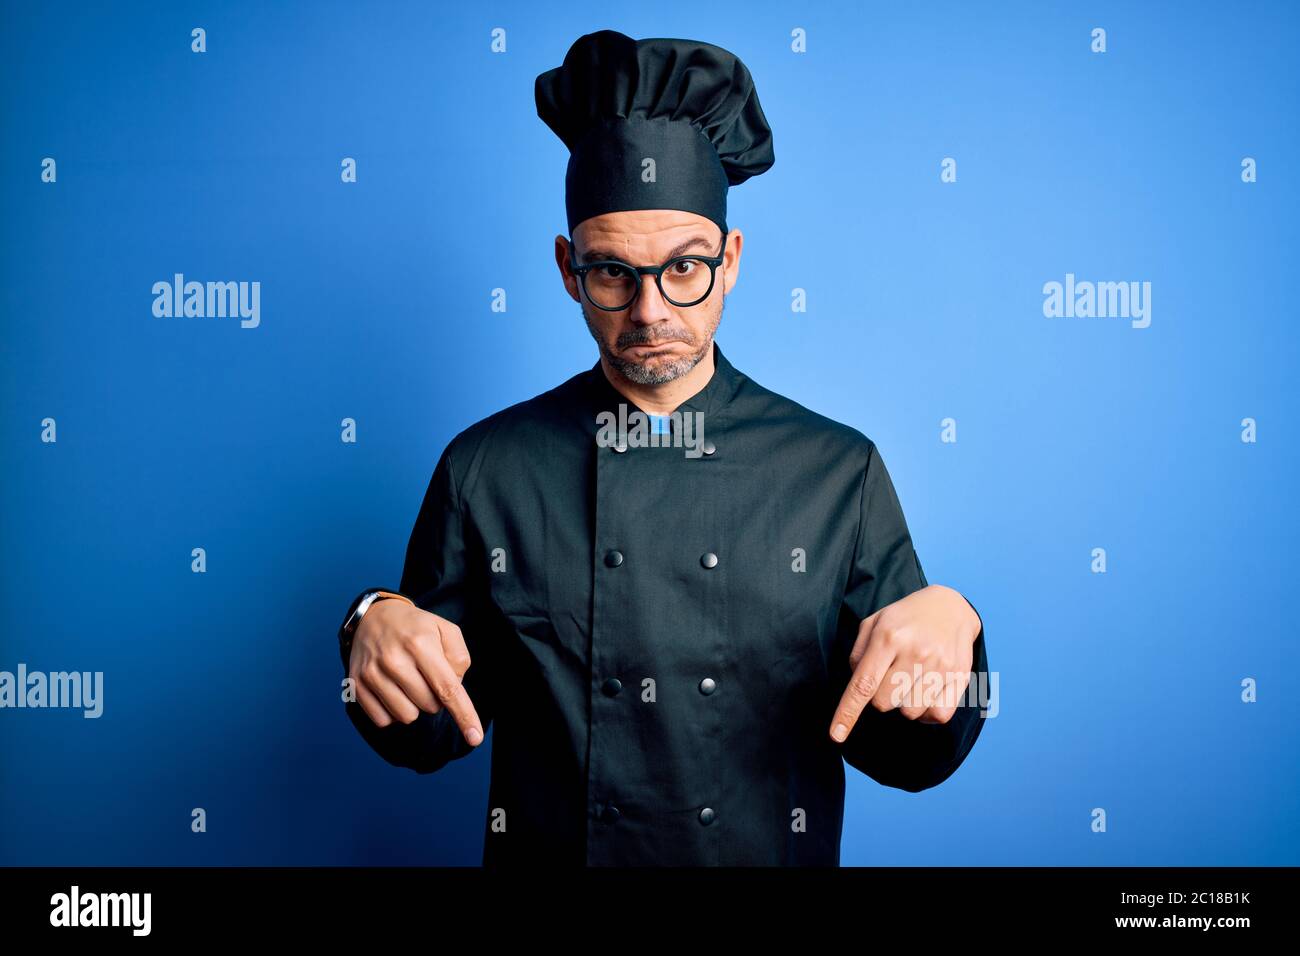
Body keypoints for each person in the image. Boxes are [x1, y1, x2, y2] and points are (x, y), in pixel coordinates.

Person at [337, 29, 990, 866]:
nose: (649, 312)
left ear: (731, 259)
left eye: (683, 268)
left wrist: (958, 635)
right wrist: (368, 626)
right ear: (568, 269)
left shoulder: (838, 472)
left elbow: (907, 754)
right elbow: (427, 732)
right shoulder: (487, 468)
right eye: (613, 272)